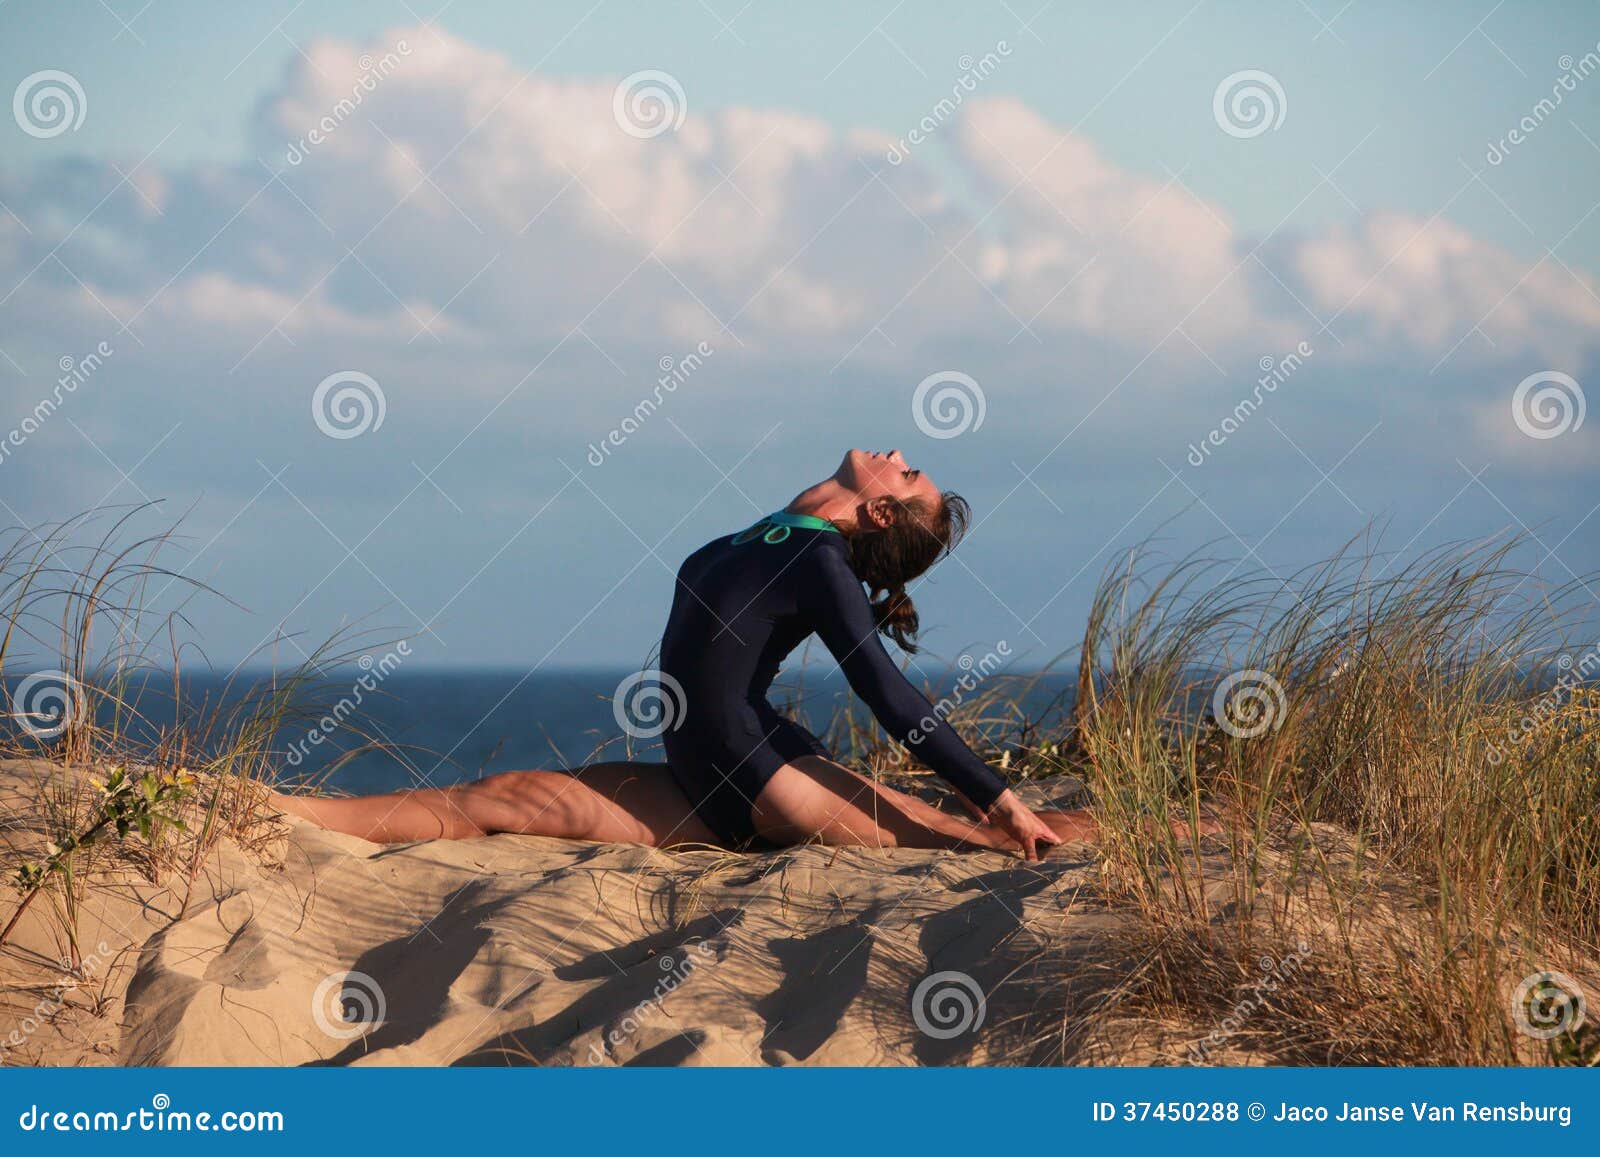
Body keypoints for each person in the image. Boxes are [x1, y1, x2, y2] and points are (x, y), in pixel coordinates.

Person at [274, 449, 1099, 860]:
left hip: (768, 774)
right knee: (497, 799)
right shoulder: (777, 532)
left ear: (882, 513)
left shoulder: (822, 564)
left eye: (909, 473)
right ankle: (278, 809)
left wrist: (1002, 797)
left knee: (980, 843)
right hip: (705, 777)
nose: (899, 454)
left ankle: (1155, 831)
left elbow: (884, 691)